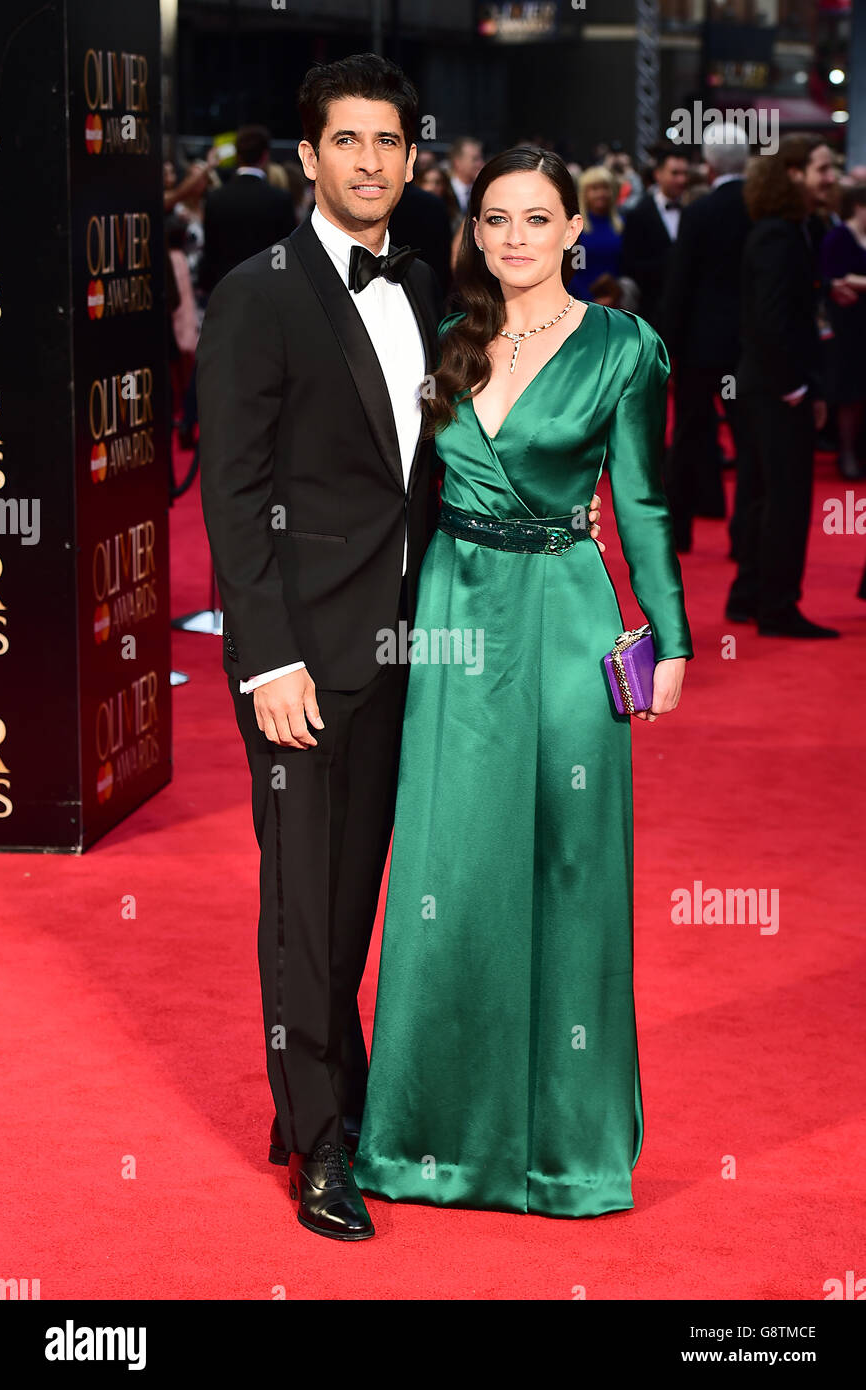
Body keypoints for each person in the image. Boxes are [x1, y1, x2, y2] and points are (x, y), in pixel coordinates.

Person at [196, 54, 606, 1240]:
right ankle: (323, 1140)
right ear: (310, 156)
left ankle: (319, 1100)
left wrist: (548, 503)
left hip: (408, 645)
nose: (370, 161)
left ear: (412, 157)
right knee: (305, 906)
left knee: (360, 896)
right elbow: (231, 493)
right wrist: (265, 659)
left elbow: (454, 449)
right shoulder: (254, 292)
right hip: (299, 661)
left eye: (390, 142)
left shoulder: (426, 283)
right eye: (348, 141)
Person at [352, 146, 692, 1220]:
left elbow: (638, 502)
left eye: (534, 220)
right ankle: (430, 1144)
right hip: (453, 620)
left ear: (573, 230)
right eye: (494, 218)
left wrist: (669, 637)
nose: (511, 239)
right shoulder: (451, 343)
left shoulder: (622, 347)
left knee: (566, 867)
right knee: (447, 868)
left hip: (561, 615)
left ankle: (563, 1153)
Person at [726, 135, 840, 639]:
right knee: (785, 500)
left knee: (761, 494)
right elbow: (773, 321)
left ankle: (749, 595)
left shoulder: (790, 231)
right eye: (822, 168)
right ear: (793, 173)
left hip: (767, 385)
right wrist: (796, 388)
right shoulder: (779, 236)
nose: (831, 178)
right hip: (775, 389)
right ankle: (776, 606)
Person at [662, 122, 752, 555]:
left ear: (709, 164)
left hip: (700, 347)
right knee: (749, 441)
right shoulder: (760, 209)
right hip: (748, 347)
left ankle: (679, 530)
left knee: (687, 437)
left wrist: (668, 347)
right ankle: (745, 536)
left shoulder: (698, 213)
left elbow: (680, 284)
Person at [198, 125, 296, 293]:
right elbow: (284, 254)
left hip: (225, 290)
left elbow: (211, 252)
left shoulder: (216, 198)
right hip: (268, 291)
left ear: (237, 155)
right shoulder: (280, 199)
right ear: (265, 156)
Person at [819, 184, 866, 480]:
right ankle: (846, 452)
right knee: (851, 391)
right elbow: (830, 280)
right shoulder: (837, 237)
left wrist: (855, 281)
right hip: (848, 327)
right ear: (859, 206)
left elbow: (847, 279)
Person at [619, 145, 689, 332]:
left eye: (684, 173)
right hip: (651, 314)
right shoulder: (639, 214)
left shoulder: (695, 211)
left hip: (687, 316)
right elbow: (630, 264)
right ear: (658, 174)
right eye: (675, 173)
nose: (681, 179)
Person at [565, 165, 623, 301]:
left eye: (605, 188)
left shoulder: (622, 225)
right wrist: (590, 300)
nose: (601, 194)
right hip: (583, 301)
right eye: (595, 189)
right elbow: (574, 271)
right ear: (584, 193)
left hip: (617, 301)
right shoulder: (576, 227)